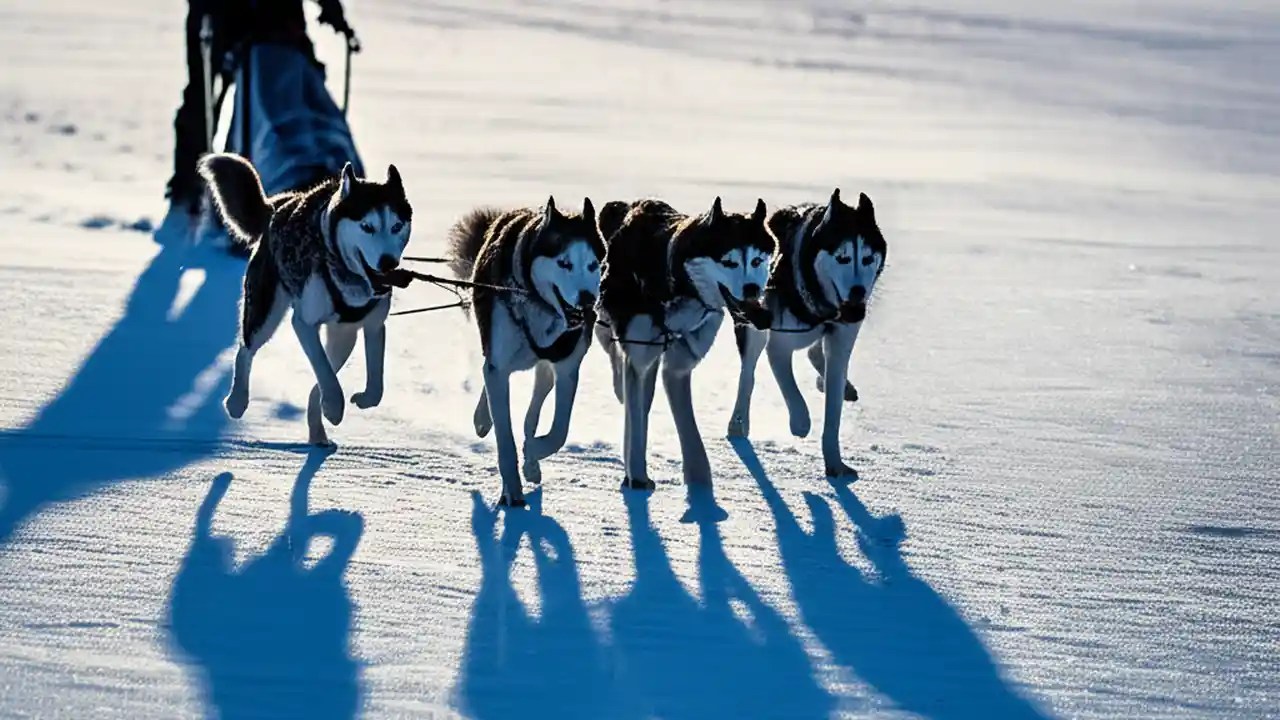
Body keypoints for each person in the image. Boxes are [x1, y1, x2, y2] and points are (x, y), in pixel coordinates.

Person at [162, 0, 356, 237]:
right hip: (221, 19)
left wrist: (331, 9)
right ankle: (189, 194)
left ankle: (291, 186)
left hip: (278, 26)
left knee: (287, 98)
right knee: (202, 102)